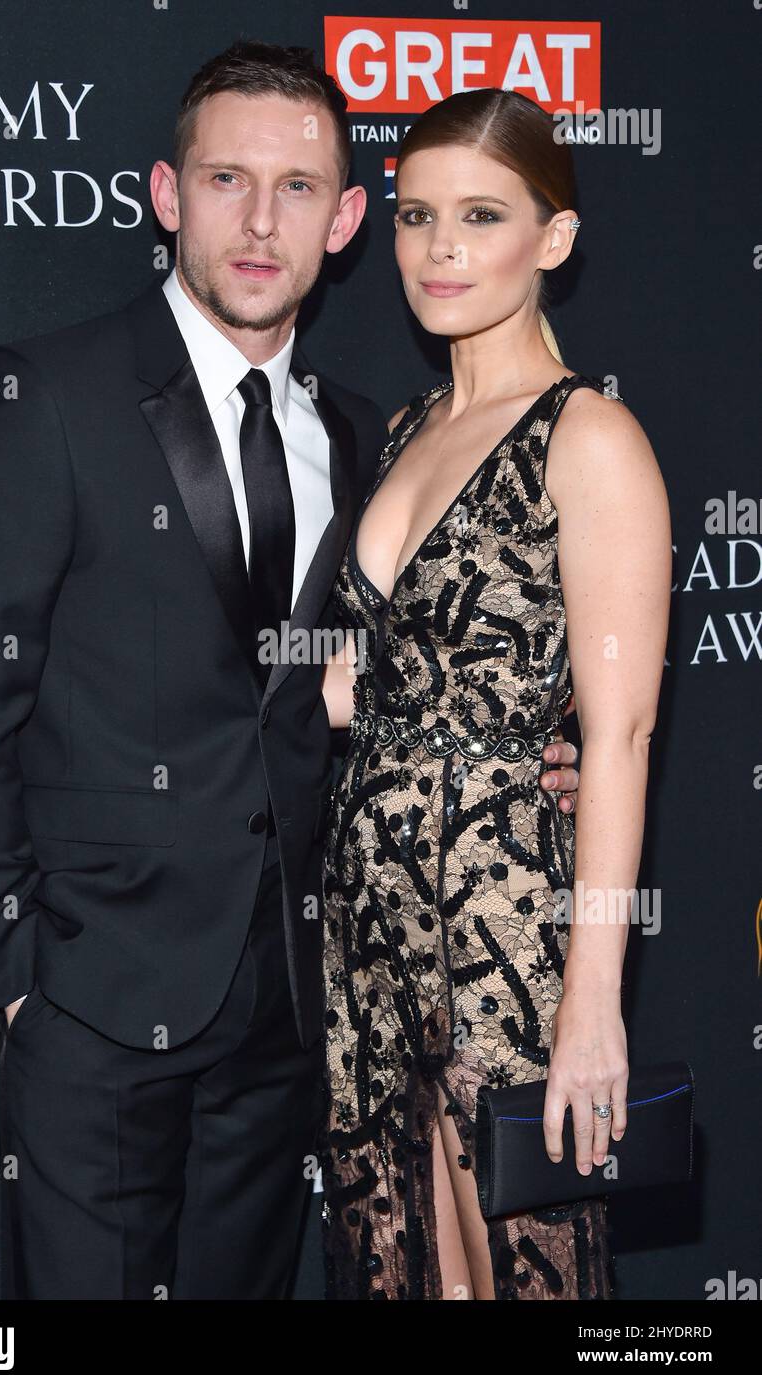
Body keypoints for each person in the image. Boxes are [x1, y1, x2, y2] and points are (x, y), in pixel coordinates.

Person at [0, 46, 583, 1300]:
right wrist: (9, 990)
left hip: (290, 1011)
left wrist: (527, 751)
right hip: (89, 1008)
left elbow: (377, 685)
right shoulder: (38, 394)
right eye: (226, 179)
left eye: (298, 187)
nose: (261, 221)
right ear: (167, 195)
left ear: (346, 220)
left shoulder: (365, 431)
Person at [318, 87, 671, 1301]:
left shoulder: (589, 437)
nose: (439, 248)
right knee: (405, 1273)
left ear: (553, 240)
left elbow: (618, 739)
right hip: (369, 931)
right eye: (416, 216)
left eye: (480, 214)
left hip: (502, 928)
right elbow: (382, 671)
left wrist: (592, 1003)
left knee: (527, 1278)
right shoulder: (407, 427)